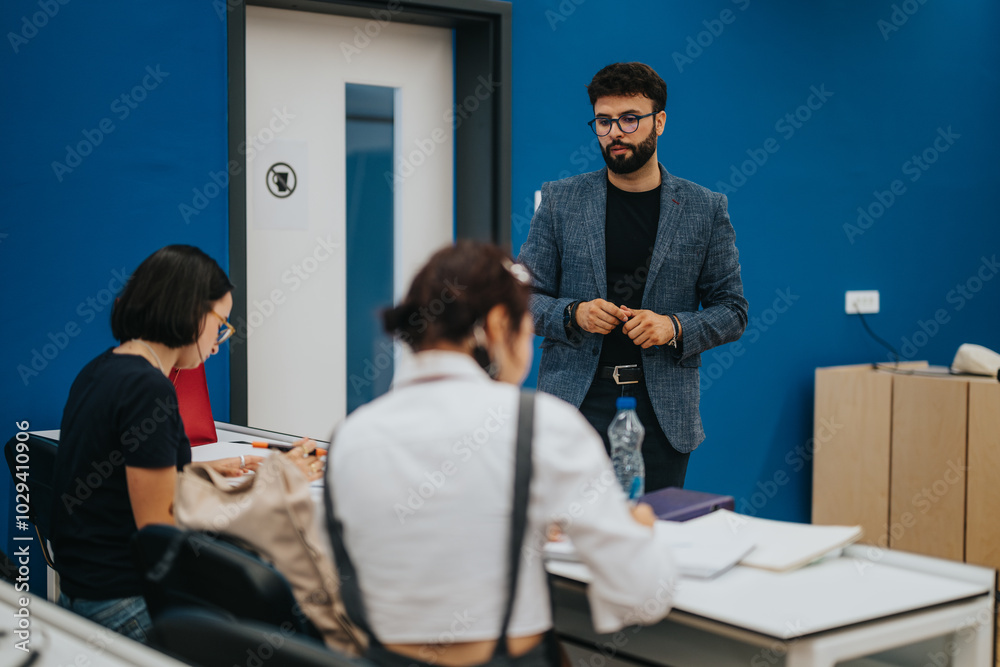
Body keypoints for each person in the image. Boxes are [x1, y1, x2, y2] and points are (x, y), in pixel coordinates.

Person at [327, 241, 677, 667]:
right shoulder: (539, 424)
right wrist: (639, 530)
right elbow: (641, 598)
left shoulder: (352, 434)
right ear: (496, 326)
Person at [50, 244, 321, 642]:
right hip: (125, 603)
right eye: (221, 323)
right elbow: (160, 532)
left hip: (83, 593)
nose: (220, 339)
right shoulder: (149, 389)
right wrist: (277, 480)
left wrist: (197, 471)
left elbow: (117, 479)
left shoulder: (103, 369)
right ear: (192, 310)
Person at [517, 62, 748, 491]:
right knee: (564, 540)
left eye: (629, 119)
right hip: (575, 402)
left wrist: (674, 326)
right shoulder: (560, 200)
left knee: (655, 536)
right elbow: (522, 299)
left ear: (659, 122)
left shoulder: (705, 208)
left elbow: (732, 311)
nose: (615, 133)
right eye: (604, 122)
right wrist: (573, 314)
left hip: (662, 410)